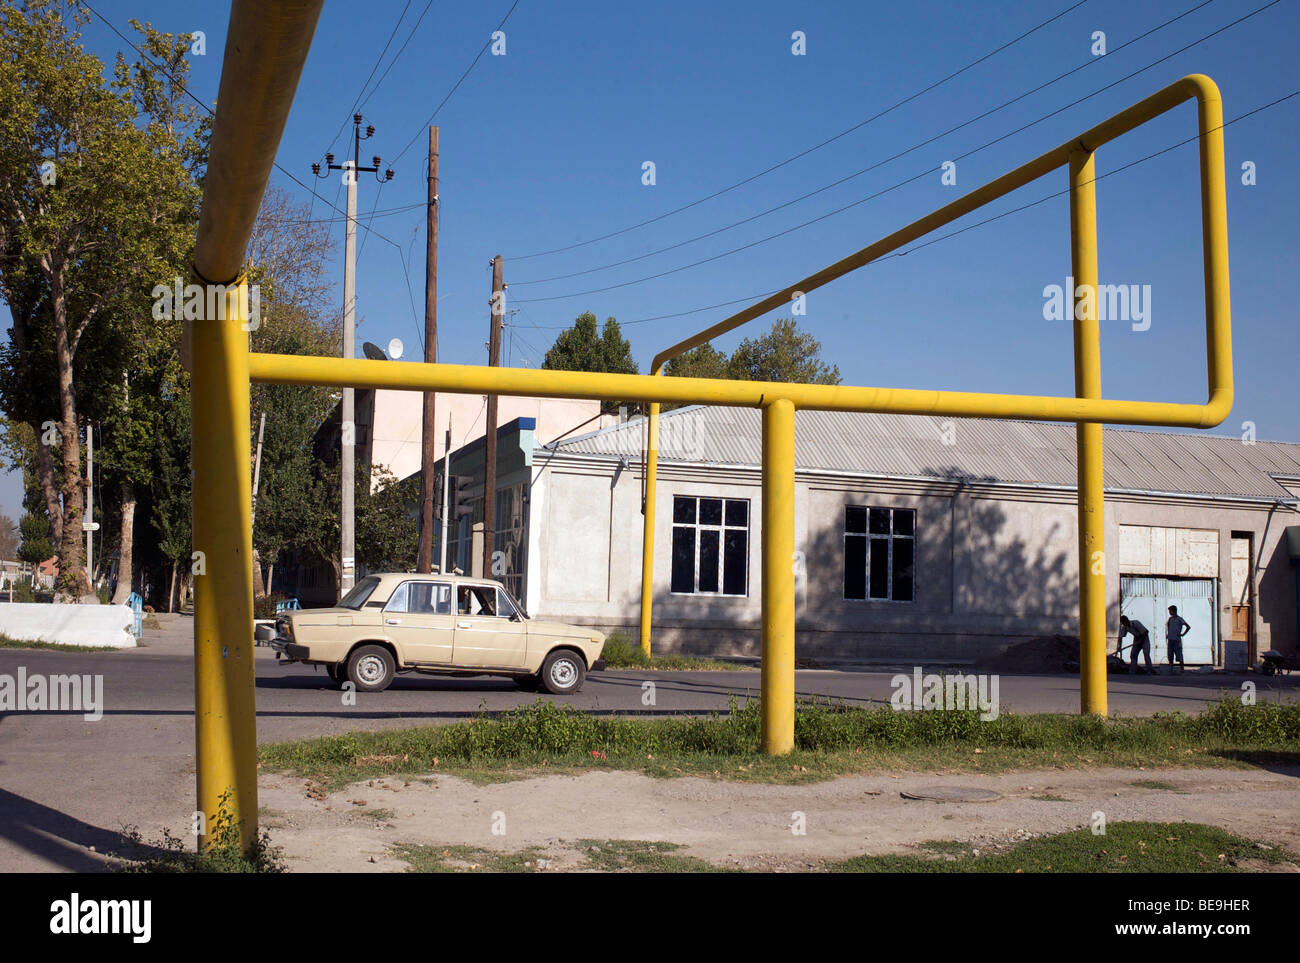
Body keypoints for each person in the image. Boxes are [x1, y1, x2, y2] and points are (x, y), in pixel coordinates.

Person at [1166, 605, 1191, 671]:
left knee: (1179, 655)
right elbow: (1168, 628)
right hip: (1170, 639)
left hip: (1177, 640)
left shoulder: (1179, 619)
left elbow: (1188, 627)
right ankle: (1171, 669)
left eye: (1170, 611)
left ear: (1174, 611)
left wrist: (1182, 634)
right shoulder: (1170, 619)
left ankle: (1181, 669)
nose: (1169, 612)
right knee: (1170, 655)